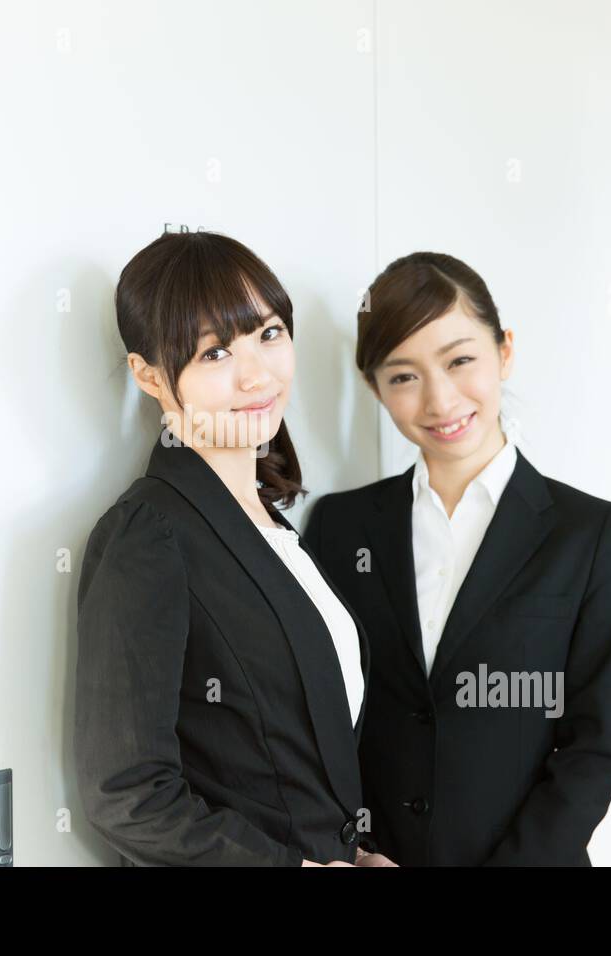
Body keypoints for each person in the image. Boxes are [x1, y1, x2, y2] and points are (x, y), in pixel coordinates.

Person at [303, 252, 611, 865]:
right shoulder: (337, 527)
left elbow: (593, 750)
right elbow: (319, 718)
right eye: (403, 376)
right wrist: (352, 850)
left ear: (504, 351)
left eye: (460, 360)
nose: (439, 400)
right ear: (374, 387)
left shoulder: (591, 535)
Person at [73, 229, 397, 866]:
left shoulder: (273, 527)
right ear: (148, 375)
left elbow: (288, 764)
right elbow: (127, 795)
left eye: (269, 334)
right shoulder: (150, 533)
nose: (257, 375)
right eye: (215, 353)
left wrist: (356, 854)